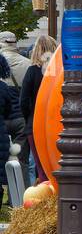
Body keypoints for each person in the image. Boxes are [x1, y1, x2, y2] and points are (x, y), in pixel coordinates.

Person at [19, 35, 56, 183]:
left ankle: (44, 199)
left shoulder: (32, 71)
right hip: (56, 123)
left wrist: (29, 116)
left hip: (34, 123)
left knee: (41, 168)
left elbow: (23, 100)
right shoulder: (59, 72)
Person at [0, 32, 30, 183]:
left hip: (3, 120)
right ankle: (20, 198)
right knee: (21, 160)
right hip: (21, 118)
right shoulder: (27, 63)